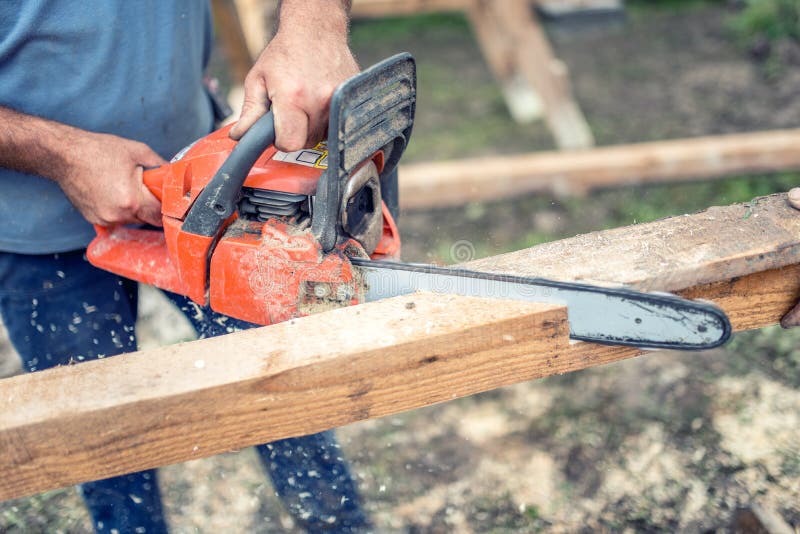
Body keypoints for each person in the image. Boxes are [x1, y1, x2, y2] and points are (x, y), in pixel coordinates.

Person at [0, 1, 368, 532]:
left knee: (282, 392)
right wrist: (59, 153)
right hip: (29, 226)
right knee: (103, 441)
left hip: (214, 183)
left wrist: (314, 25)